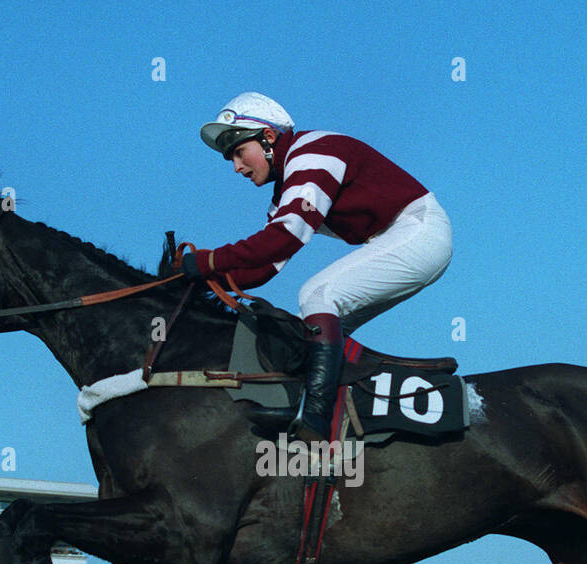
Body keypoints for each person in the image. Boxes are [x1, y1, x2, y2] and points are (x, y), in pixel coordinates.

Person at [183, 92, 452, 439]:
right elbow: (265, 265)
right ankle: (325, 414)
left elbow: (283, 239)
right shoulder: (287, 186)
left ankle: (315, 421)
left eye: (238, 152)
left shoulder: (311, 153)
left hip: (418, 231)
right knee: (307, 332)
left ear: (267, 138)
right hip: (401, 237)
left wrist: (209, 261)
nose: (236, 167)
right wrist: (201, 281)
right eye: (230, 159)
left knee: (317, 294)